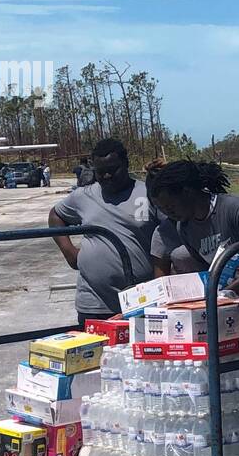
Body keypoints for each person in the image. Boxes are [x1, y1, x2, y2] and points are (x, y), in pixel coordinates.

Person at [147, 161, 239, 329]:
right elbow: (207, 271)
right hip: (230, 316)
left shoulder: (236, 208)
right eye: (162, 209)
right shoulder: (185, 227)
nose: (168, 213)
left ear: (187, 192)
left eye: (170, 206)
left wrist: (224, 294)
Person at [48, 138, 158, 328]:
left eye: (113, 169)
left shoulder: (149, 193)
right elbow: (56, 215)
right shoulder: (83, 196)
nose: (107, 176)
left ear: (126, 164)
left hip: (141, 301)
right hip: (93, 303)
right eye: (100, 172)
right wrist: (69, 252)